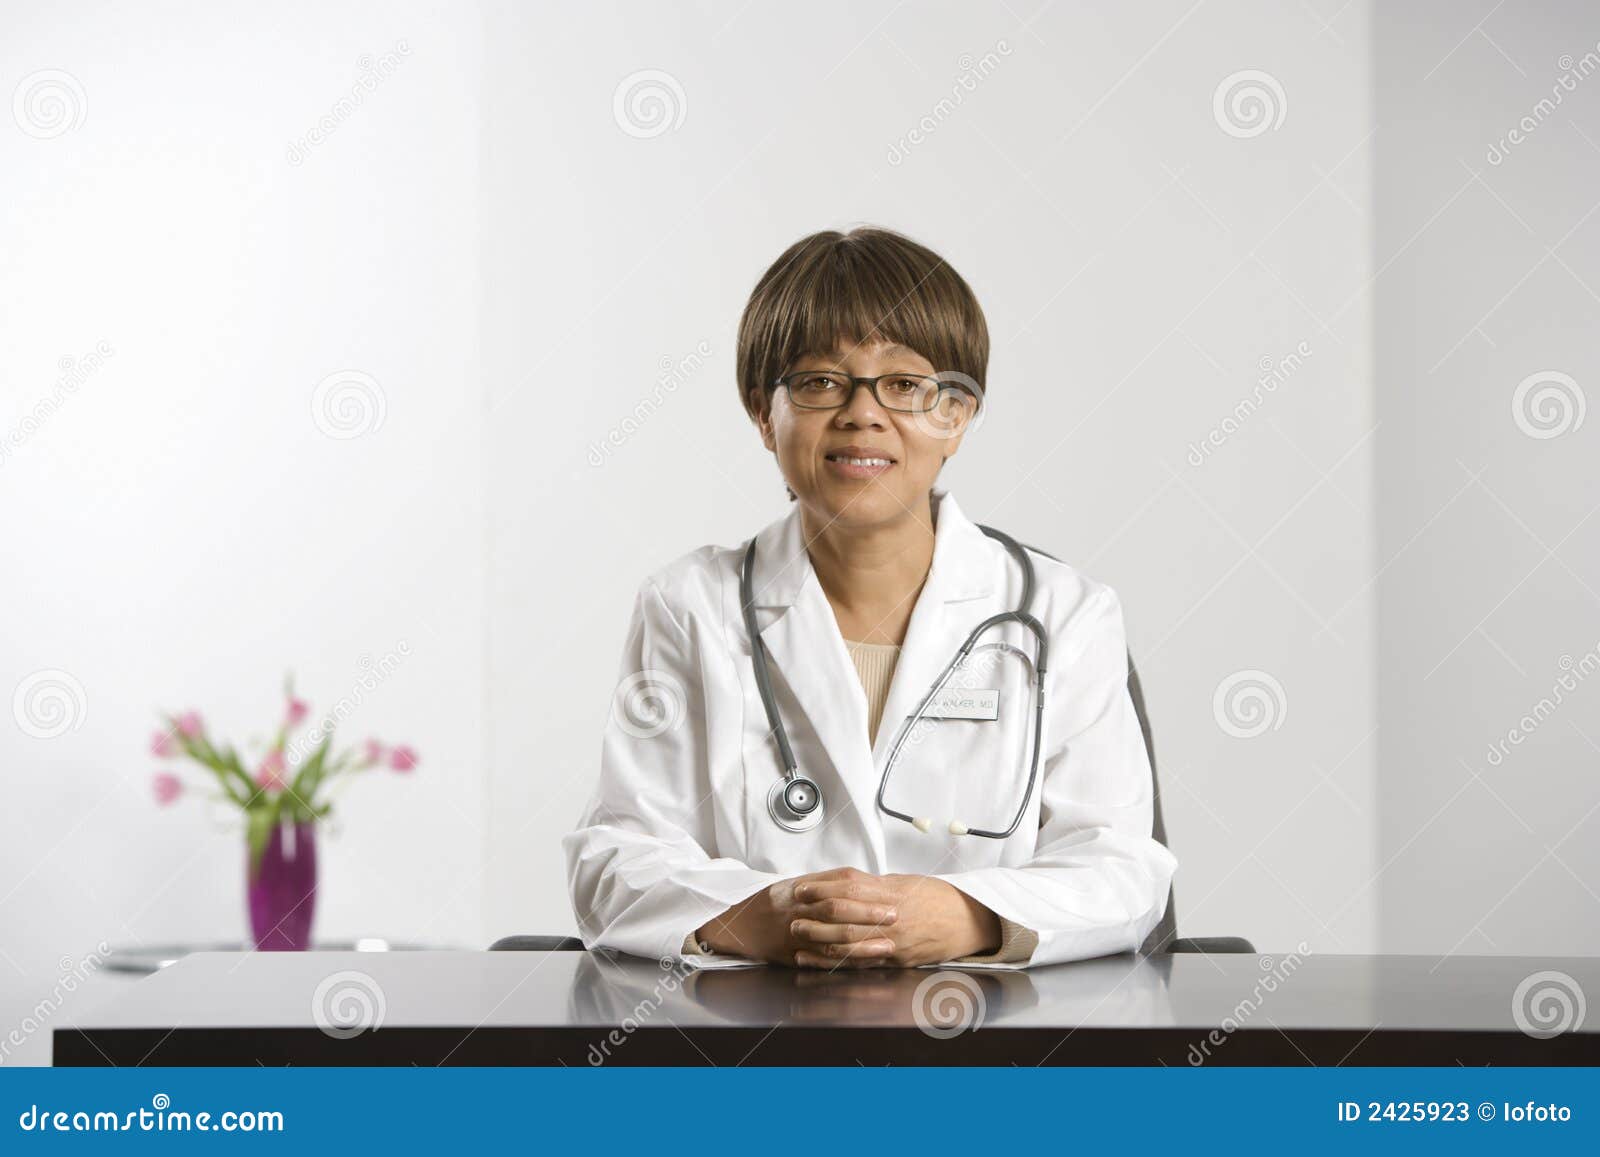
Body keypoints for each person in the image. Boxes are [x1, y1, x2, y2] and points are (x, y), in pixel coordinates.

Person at [563, 226, 1176, 969]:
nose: (863, 413)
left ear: (955, 417)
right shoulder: (690, 605)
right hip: (758, 1046)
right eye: (821, 381)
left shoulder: (1064, 612)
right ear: (764, 413)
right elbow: (616, 858)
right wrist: (767, 915)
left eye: (905, 384)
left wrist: (967, 915)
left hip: (997, 1046)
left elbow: (1122, 871)